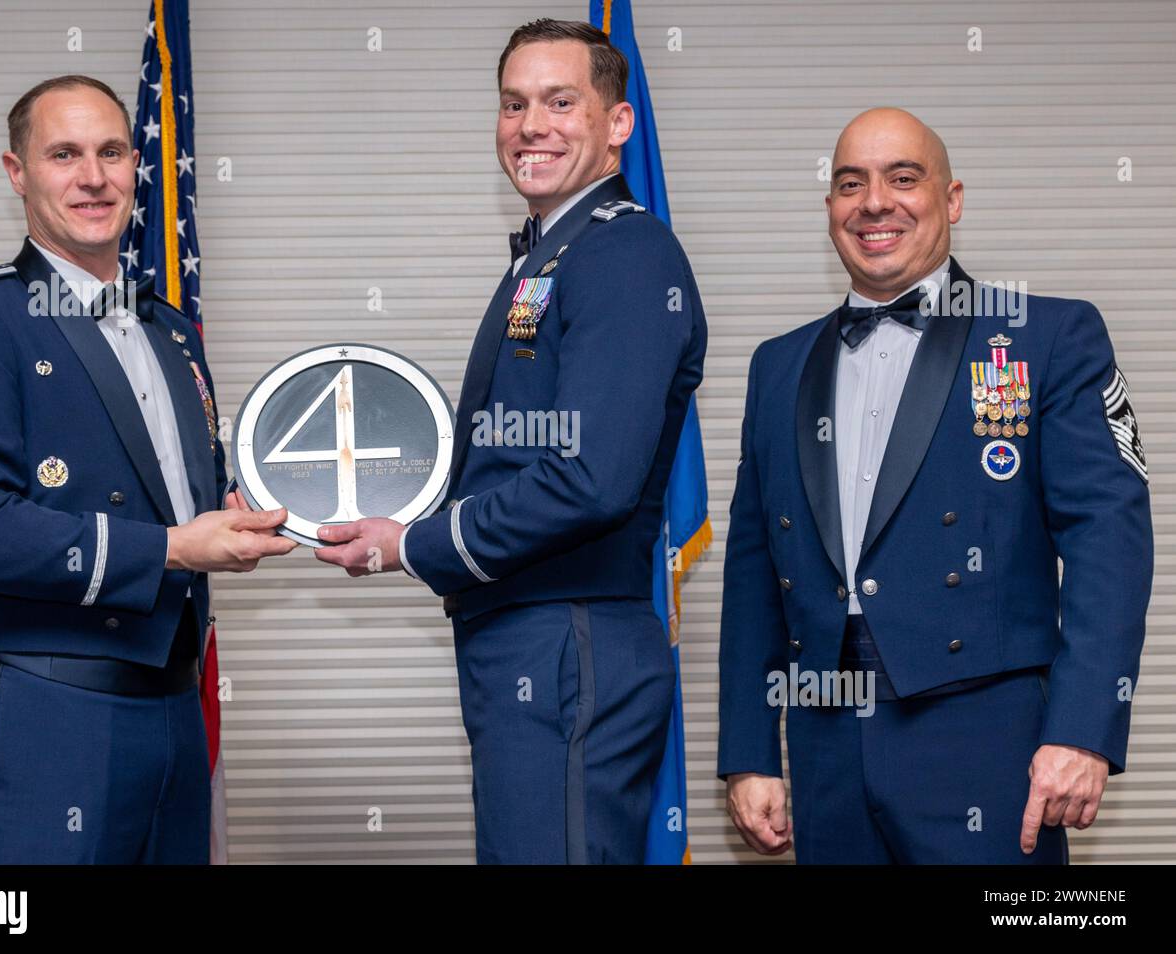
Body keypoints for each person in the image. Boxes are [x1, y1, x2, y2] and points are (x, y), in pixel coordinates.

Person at [310, 20, 708, 863]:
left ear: (617, 124)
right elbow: (506, 453)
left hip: (568, 635)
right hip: (534, 631)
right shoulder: (551, 255)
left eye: (562, 102)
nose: (532, 125)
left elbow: (591, 479)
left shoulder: (623, 254)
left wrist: (415, 542)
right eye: (514, 104)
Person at [717, 107, 1152, 863]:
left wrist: (1082, 730)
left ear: (952, 199)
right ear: (830, 211)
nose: (874, 202)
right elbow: (754, 566)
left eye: (903, 178)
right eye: (851, 184)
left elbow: (1108, 540)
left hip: (987, 741)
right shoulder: (777, 365)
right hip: (823, 743)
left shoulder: (1048, 336)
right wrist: (750, 752)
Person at [0, 74, 296, 864]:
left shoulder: (170, 332)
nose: (94, 177)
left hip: (178, 711)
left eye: (112, 152)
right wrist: (179, 548)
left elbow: (177, 501)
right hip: (53, 715)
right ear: (18, 172)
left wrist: (235, 519)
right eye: (64, 154)